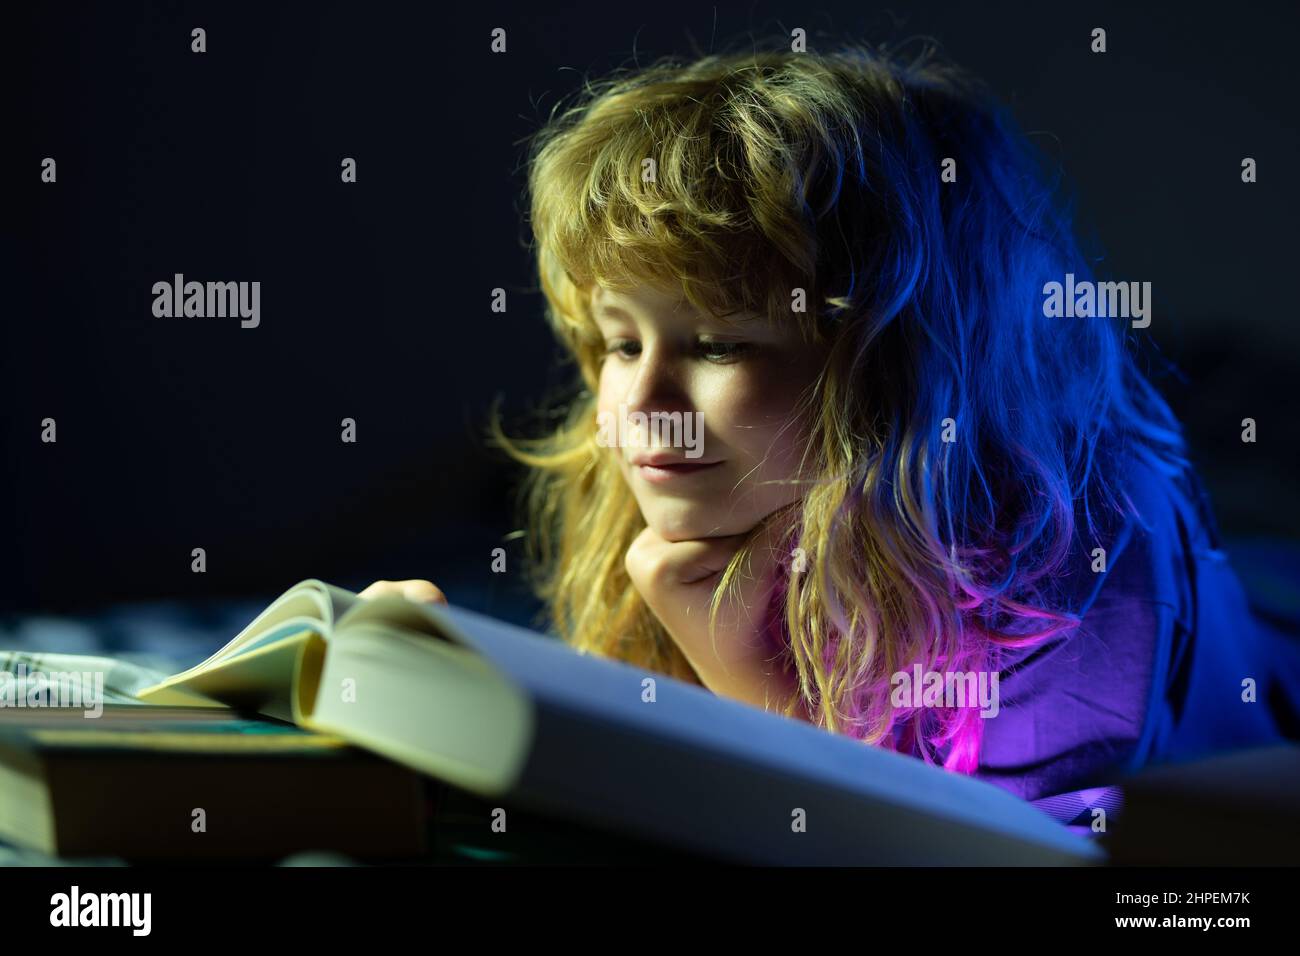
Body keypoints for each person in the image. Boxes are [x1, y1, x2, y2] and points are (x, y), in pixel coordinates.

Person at [361, 43, 1299, 805]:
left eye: (720, 346)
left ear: (904, 364)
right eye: (616, 344)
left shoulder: (1074, 553)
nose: (637, 411)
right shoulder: (692, 505)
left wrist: (749, 677)